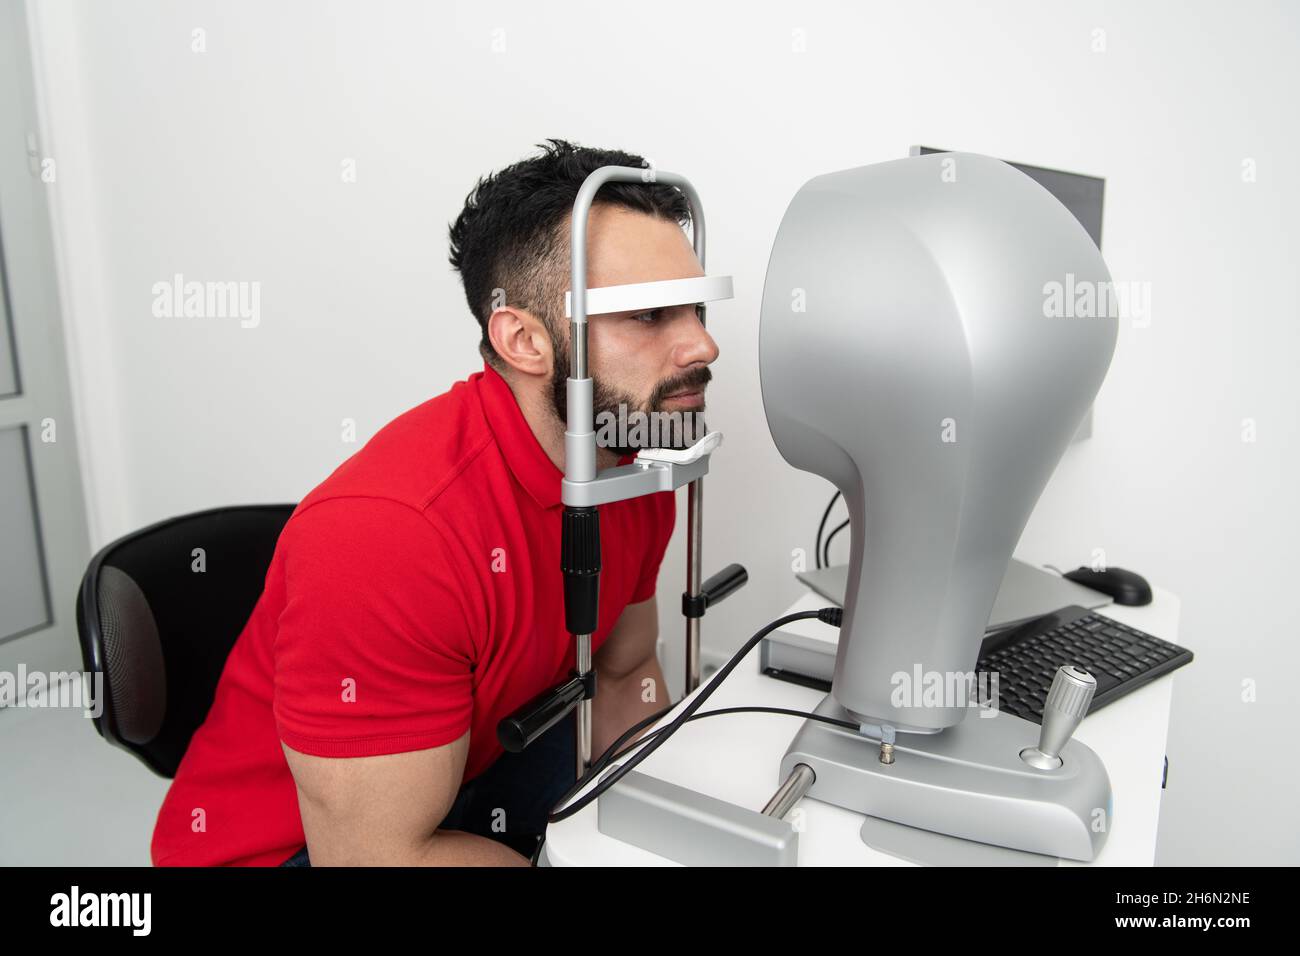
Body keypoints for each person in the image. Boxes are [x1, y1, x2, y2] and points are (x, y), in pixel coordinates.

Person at [150, 139, 720, 866]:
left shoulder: (627, 464)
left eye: (695, 308)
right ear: (524, 339)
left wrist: (666, 831)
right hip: (302, 851)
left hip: (462, 776)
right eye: (647, 316)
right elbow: (378, 859)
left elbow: (622, 675)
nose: (702, 345)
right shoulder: (389, 538)